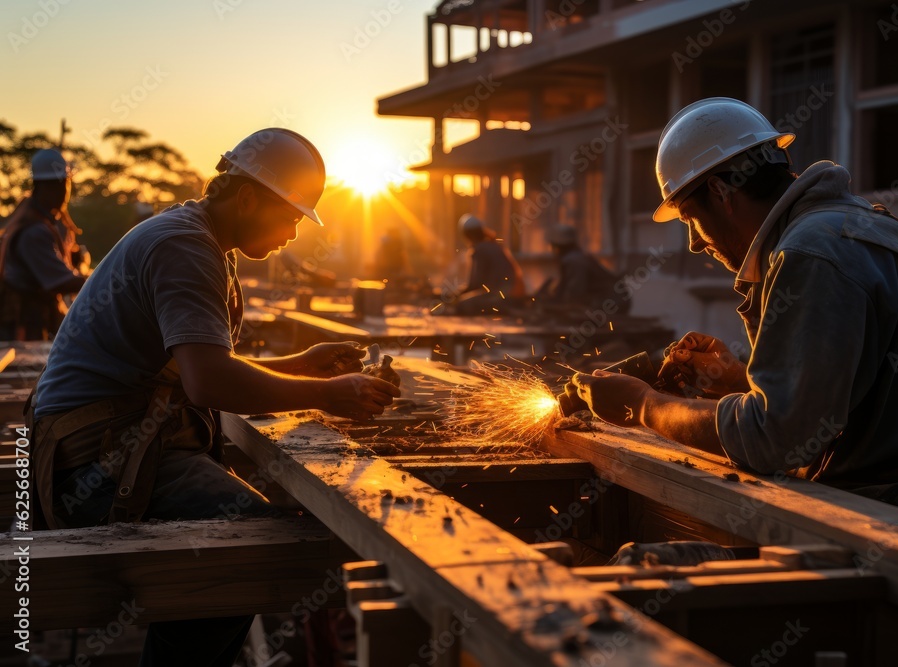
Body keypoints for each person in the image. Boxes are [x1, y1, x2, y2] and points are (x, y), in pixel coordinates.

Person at [28, 128, 401, 665]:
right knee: (253, 542)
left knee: (240, 547)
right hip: (89, 464)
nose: (294, 234)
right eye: (291, 216)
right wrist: (325, 394)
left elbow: (201, 367)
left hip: (104, 440)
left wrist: (303, 365)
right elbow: (208, 384)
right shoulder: (184, 246)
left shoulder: (201, 240)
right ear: (247, 196)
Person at [570, 97, 898, 531]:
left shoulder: (811, 253)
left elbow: (776, 441)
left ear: (721, 192)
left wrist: (644, 405)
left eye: (689, 219)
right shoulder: (860, 227)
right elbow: (854, 396)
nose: (695, 244)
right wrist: (737, 380)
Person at [0, 148, 87, 340]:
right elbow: (60, 281)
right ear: (58, 186)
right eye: (65, 183)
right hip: (24, 328)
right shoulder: (34, 231)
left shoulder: (34, 220)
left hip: (28, 321)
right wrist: (100, 279)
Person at [541, 224, 630, 314]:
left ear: (557, 246)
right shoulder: (577, 257)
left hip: (610, 303)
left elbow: (575, 293)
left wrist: (554, 304)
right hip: (611, 302)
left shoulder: (574, 261)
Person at [453, 213, 525, 315]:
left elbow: (475, 284)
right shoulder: (493, 245)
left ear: (466, 235)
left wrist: (454, 296)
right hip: (512, 295)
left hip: (502, 298)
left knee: (462, 305)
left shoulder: (479, 250)